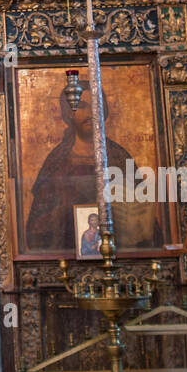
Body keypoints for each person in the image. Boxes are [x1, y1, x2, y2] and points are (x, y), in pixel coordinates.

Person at [26, 81, 153, 252]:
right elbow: (38, 224)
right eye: (82, 106)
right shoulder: (56, 161)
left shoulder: (119, 156)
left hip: (120, 249)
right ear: (68, 113)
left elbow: (142, 215)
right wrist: (63, 207)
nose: (91, 113)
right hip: (67, 251)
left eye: (96, 105)